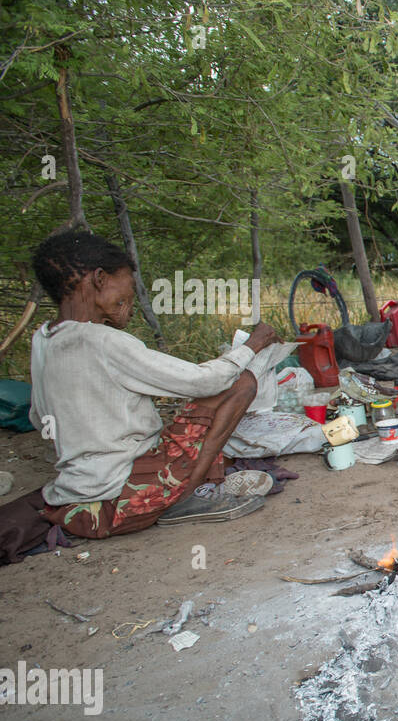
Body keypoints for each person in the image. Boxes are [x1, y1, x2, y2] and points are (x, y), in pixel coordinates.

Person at [28, 230, 281, 538]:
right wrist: (253, 345)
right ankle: (183, 499)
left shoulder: (43, 339)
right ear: (99, 279)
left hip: (75, 505)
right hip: (127, 500)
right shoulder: (103, 341)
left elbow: (37, 417)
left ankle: (182, 490)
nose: (131, 303)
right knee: (240, 383)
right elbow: (205, 382)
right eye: (129, 288)